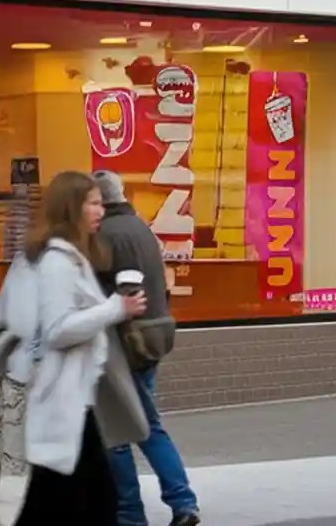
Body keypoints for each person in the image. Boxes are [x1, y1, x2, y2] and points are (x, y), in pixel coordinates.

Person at [0, 171, 150, 525]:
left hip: (45, 398)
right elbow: (58, 331)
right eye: (94, 203)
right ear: (73, 208)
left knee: (60, 499)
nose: (102, 210)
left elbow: (2, 317)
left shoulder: (37, 257)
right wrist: (116, 309)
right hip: (52, 402)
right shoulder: (58, 262)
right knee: (76, 501)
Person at [93, 171, 201, 526]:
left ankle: (137, 512)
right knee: (145, 425)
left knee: (122, 433)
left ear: (100, 201)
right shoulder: (141, 227)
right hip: (151, 337)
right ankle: (180, 502)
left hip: (124, 343)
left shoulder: (105, 234)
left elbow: (117, 292)